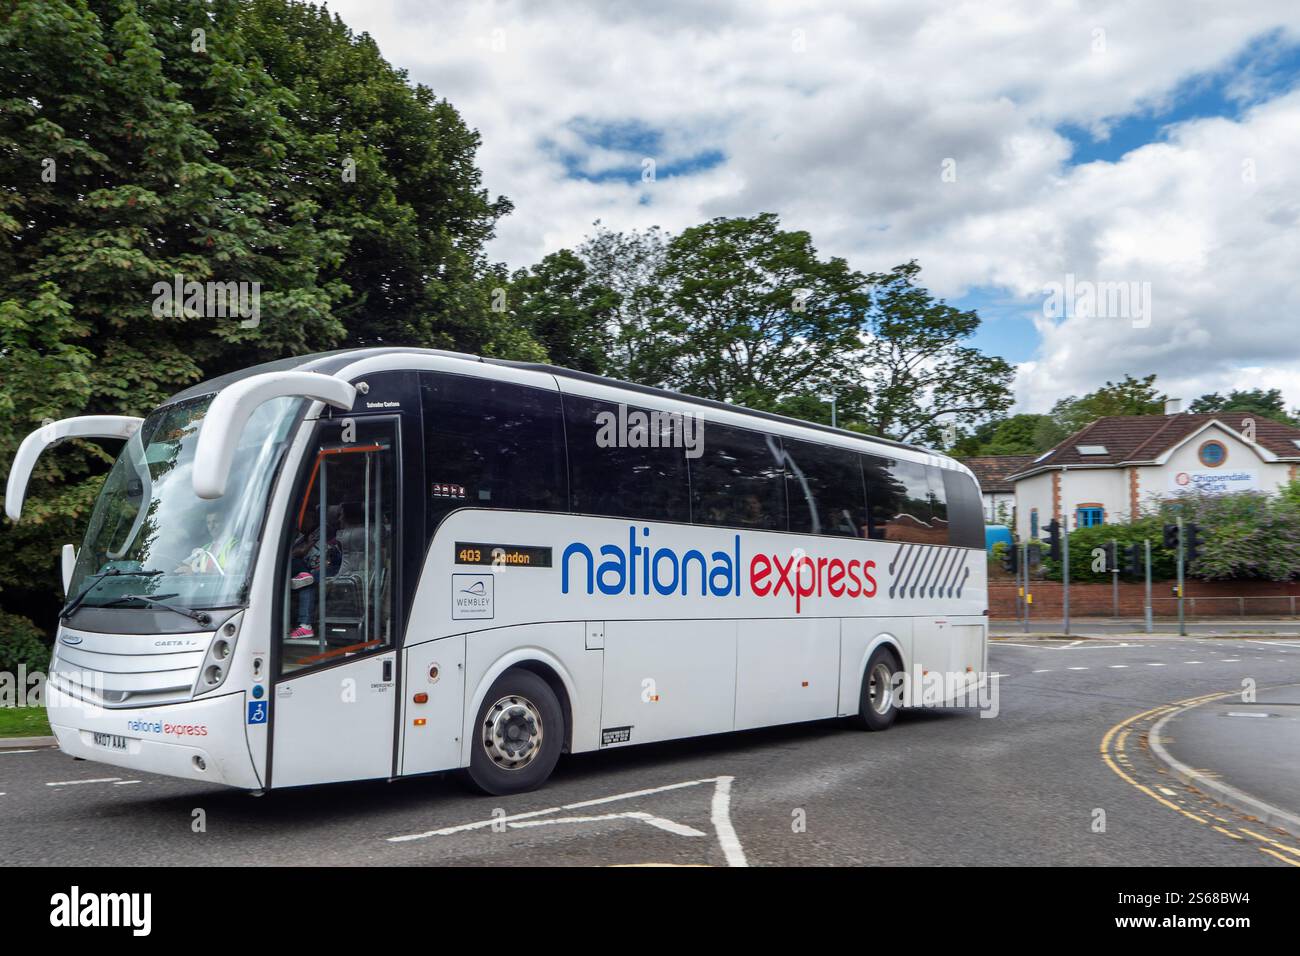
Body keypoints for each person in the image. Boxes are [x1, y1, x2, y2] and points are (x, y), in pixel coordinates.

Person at [287, 511, 341, 640]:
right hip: (310, 572)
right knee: (304, 579)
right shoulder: (301, 539)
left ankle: (305, 626)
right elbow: (293, 554)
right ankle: (290, 623)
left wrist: (311, 543)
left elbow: (335, 557)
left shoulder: (327, 533)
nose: (304, 522)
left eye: (307, 518)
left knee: (307, 582)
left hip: (328, 569)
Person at [176, 508, 237, 574]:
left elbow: (232, 573)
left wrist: (195, 573)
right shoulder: (205, 548)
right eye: (208, 523)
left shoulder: (234, 545)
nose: (211, 526)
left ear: (225, 523)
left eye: (215, 522)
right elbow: (188, 563)